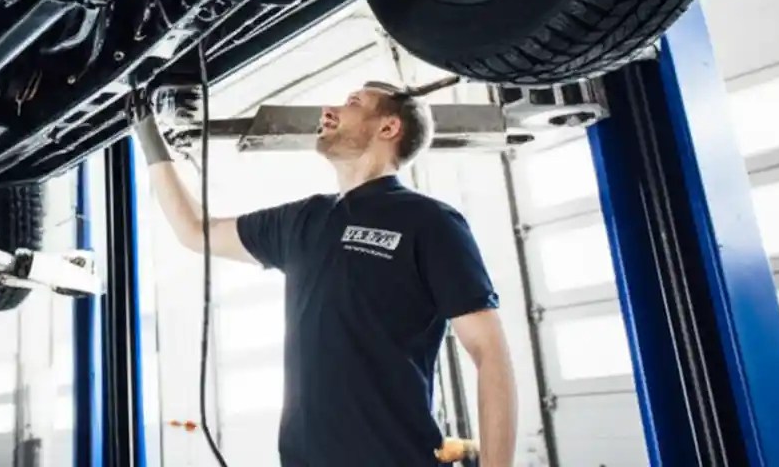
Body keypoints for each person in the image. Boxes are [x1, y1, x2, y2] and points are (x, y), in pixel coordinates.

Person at [134, 81, 518, 467]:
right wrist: (146, 132)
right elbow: (195, 230)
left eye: (352, 102)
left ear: (388, 128)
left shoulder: (431, 222)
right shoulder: (304, 220)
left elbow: (489, 353)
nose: (327, 111)